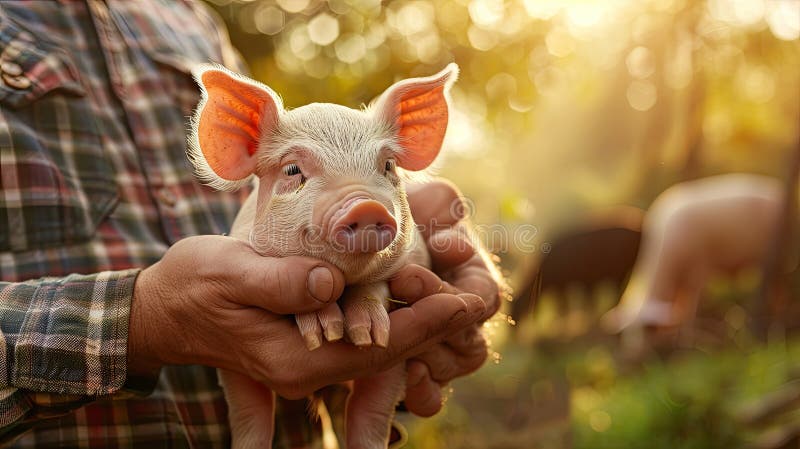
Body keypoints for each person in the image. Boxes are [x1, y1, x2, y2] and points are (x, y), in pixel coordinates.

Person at [0, 1, 500, 447]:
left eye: (388, 166)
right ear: (236, 143)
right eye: (294, 171)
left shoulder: (190, 19)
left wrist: (418, 288)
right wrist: (144, 321)